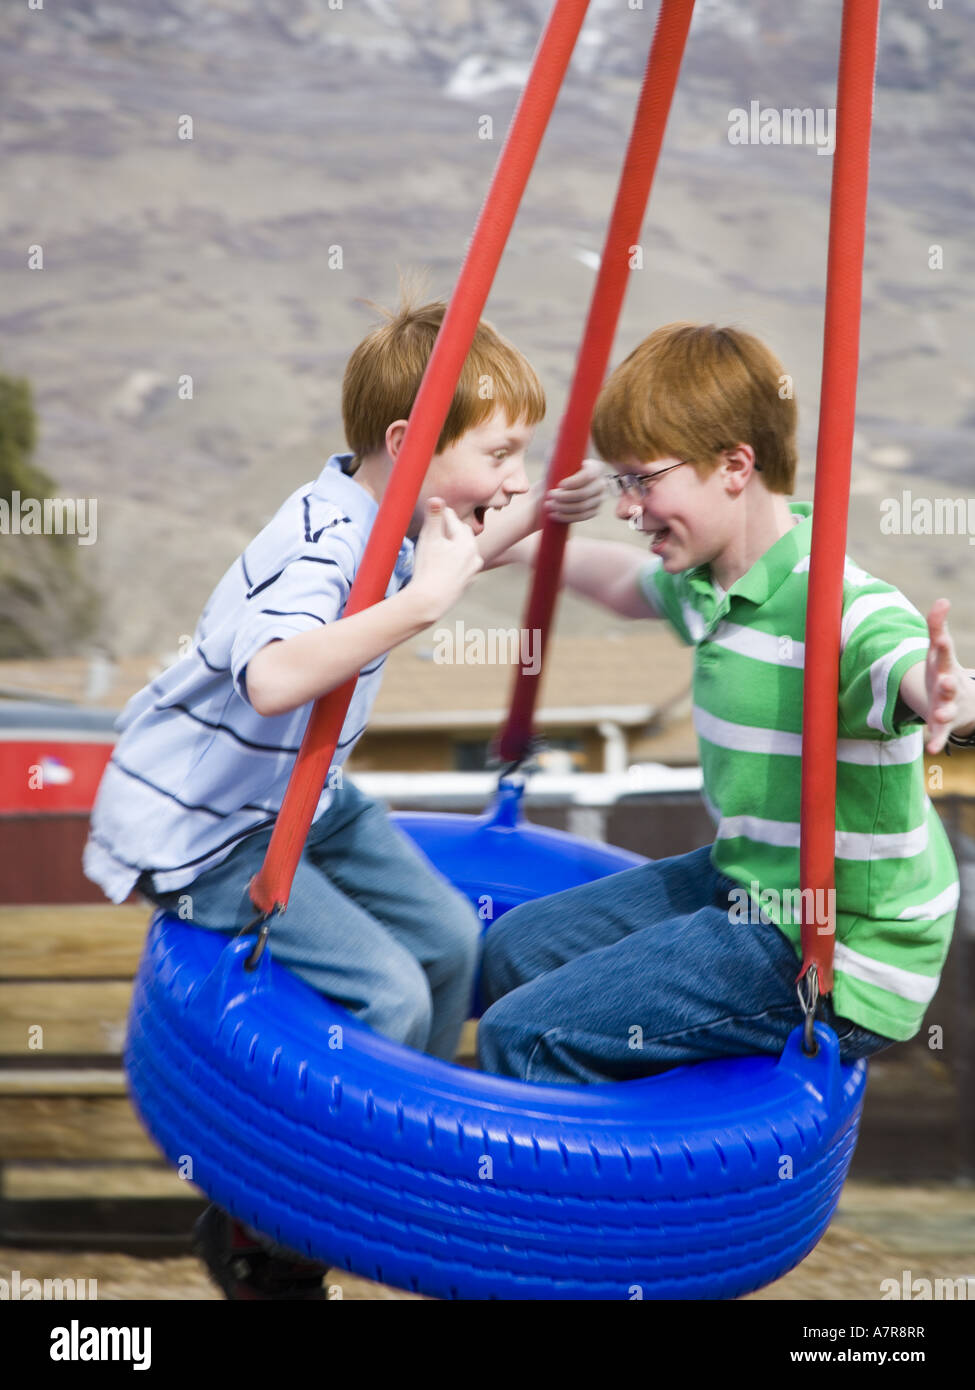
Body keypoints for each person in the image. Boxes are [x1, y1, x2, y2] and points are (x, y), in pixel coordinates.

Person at [82, 294, 605, 1295]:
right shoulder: (324, 537)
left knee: (452, 938)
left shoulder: (387, 507)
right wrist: (420, 608)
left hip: (302, 797)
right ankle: (273, 1230)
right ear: (411, 443)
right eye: (500, 454)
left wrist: (540, 512)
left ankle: (407, 1162)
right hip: (208, 829)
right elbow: (274, 676)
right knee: (390, 990)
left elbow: (448, 557)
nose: (513, 475)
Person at [477, 321, 975, 1087]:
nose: (627, 506)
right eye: (621, 483)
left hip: (837, 945)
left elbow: (905, 661)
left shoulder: (841, 607)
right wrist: (514, 539)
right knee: (514, 948)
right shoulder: (709, 587)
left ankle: (585, 1198)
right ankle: (622, 1104)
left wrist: (948, 699)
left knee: (526, 1036)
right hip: (750, 882)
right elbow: (616, 580)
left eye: (642, 479)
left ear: (734, 465)